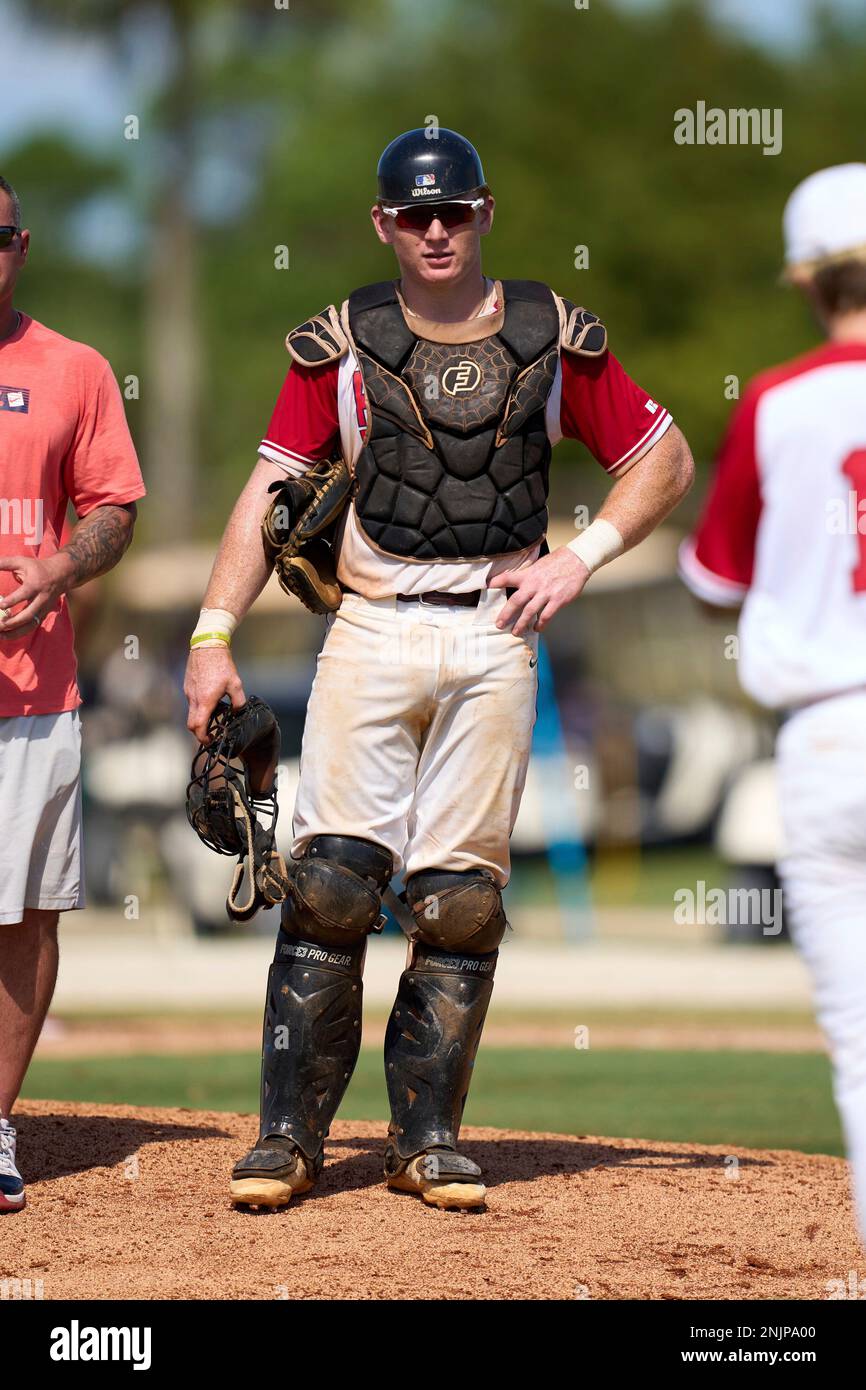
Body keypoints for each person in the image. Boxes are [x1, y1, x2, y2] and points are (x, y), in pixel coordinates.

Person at [185, 127, 693, 1210]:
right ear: (381, 222)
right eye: (412, 213)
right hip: (371, 624)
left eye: (451, 211)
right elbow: (265, 494)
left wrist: (582, 558)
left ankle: (426, 1139)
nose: (432, 229)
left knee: (460, 900)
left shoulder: (550, 335)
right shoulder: (340, 342)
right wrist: (210, 634)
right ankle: (288, 1138)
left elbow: (663, 457)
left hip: (495, 625)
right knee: (328, 882)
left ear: (484, 213)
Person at [679, 163, 866, 1245]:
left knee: (856, 1037)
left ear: (802, 277)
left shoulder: (773, 399)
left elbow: (712, 580)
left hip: (822, 735)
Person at [0, 175, 146, 1212]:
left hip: (33, 695)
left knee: (26, 916)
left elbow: (112, 507)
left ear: (22, 243)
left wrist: (58, 569)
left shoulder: (75, 368)